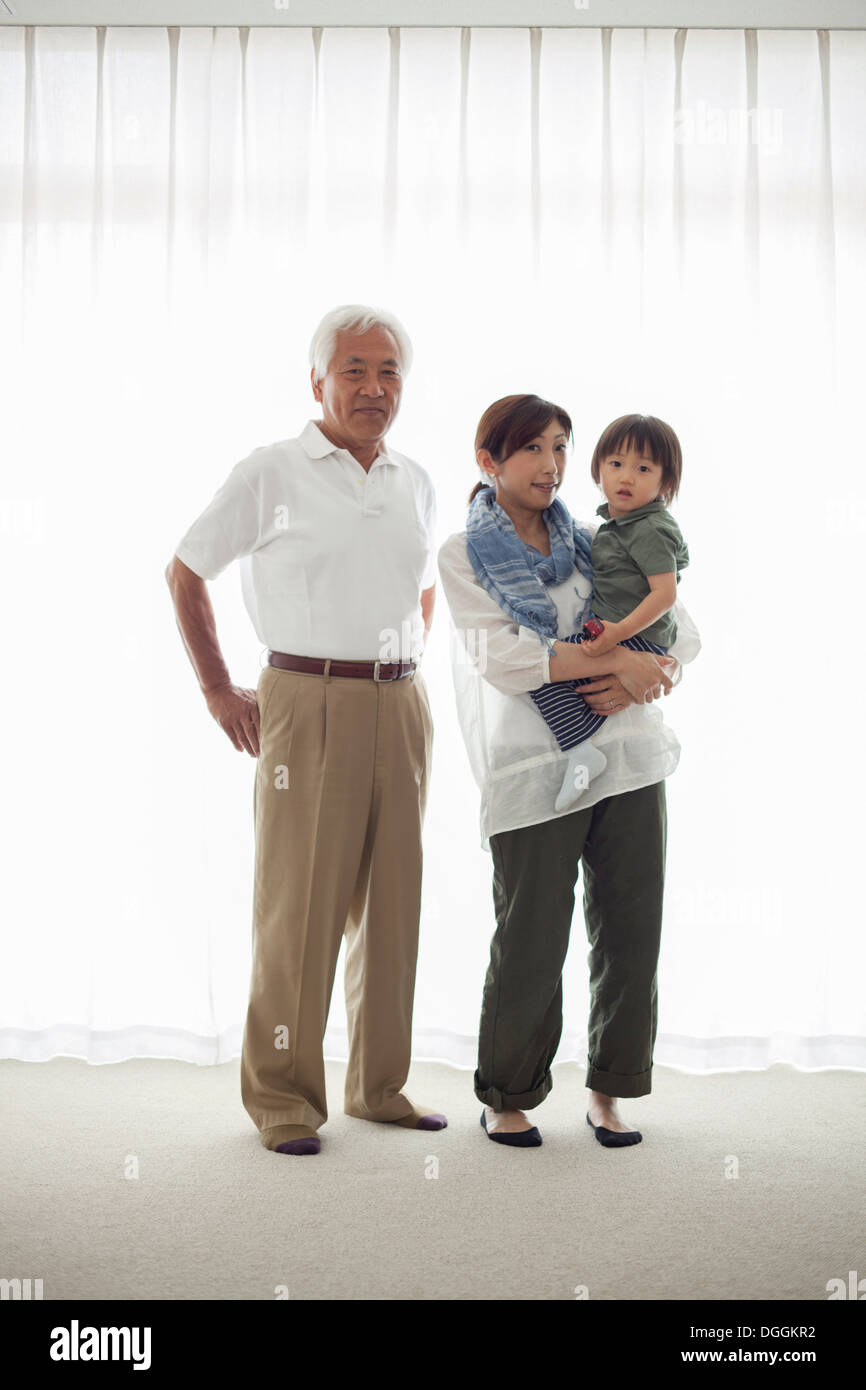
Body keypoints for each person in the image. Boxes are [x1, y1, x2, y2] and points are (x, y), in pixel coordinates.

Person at [165, 304, 446, 1157]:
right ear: (317, 381)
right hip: (306, 698)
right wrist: (219, 688)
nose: (372, 387)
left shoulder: (415, 480)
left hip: (400, 703)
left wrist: (398, 662)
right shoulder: (274, 472)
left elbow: (420, 585)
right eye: (354, 370)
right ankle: (284, 1098)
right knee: (302, 907)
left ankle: (378, 1086)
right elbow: (185, 568)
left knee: (392, 906)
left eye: (388, 370)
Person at [437, 394, 700, 1149]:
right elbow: (502, 658)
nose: (552, 465)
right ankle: (509, 1095)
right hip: (532, 767)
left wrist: (649, 673)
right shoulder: (465, 554)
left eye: (561, 446)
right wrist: (620, 656)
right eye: (533, 449)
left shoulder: (599, 538)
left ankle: (611, 1092)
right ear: (490, 460)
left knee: (631, 928)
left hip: (627, 759)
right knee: (530, 935)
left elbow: (682, 626)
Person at [510, 413, 690, 812]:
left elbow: (665, 595)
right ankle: (584, 747)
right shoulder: (613, 528)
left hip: (636, 635)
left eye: (643, 469)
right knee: (553, 669)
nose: (626, 477)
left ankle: (580, 750)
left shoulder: (650, 528)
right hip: (626, 637)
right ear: (598, 470)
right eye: (616, 464)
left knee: (548, 666)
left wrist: (619, 638)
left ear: (666, 482)